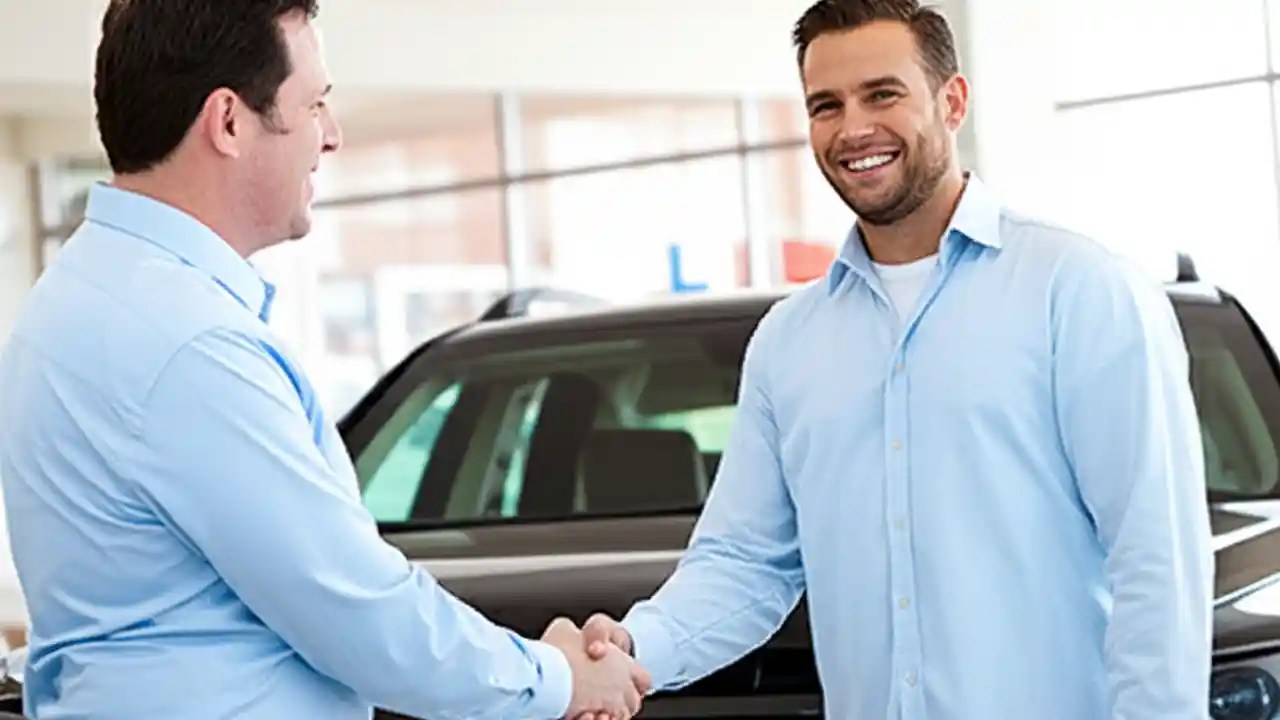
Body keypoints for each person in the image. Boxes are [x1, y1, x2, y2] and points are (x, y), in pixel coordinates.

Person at [0, 1, 649, 718]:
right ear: (228, 123)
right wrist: (556, 678)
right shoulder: (188, 343)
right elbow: (360, 614)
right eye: (314, 104)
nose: (331, 136)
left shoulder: (75, 297)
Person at [566, 0, 1214, 718]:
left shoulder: (1077, 291)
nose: (853, 129)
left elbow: (1157, 560)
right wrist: (632, 648)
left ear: (952, 100)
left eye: (882, 94)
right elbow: (746, 564)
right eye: (826, 105)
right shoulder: (789, 342)